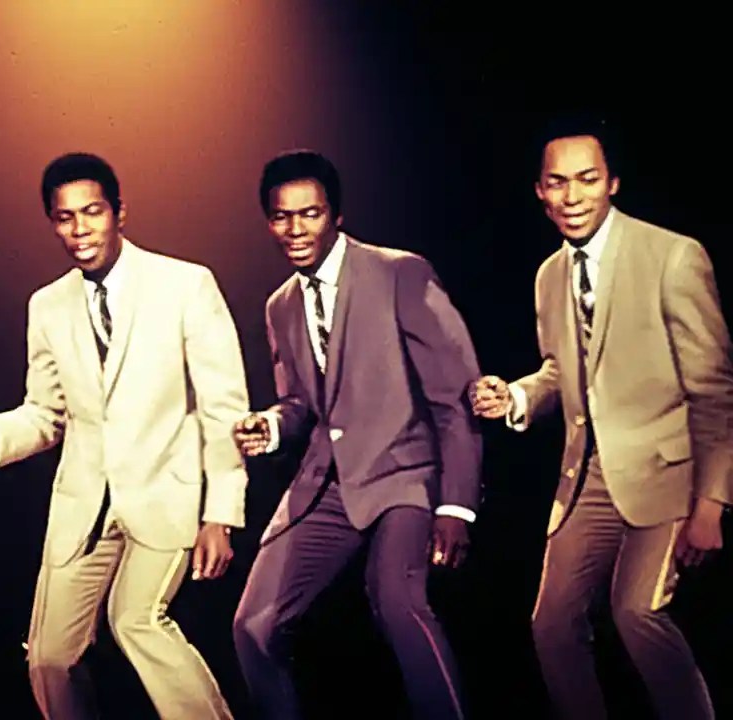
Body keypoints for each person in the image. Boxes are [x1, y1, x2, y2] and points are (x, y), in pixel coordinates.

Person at [0, 152, 247, 720]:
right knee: (48, 659)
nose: (79, 229)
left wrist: (220, 512)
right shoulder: (47, 305)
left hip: (164, 500)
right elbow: (45, 414)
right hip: (84, 510)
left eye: (92, 212)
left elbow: (224, 409)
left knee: (137, 621)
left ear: (120, 211)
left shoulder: (186, 285)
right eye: (64, 217)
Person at [471, 116, 731, 719]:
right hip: (588, 477)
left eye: (586, 180)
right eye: (557, 183)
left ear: (612, 182)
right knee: (551, 625)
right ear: (540, 191)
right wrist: (514, 397)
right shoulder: (550, 275)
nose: (572, 196)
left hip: (668, 472)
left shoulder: (672, 256)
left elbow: (714, 390)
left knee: (636, 612)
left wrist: (712, 503)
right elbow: (563, 372)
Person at [231, 149, 480, 719]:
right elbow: (302, 403)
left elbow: (454, 394)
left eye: (309, 214)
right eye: (280, 217)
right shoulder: (281, 305)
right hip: (328, 485)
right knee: (253, 626)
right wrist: (271, 426)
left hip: (405, 474)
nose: (294, 229)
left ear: (335, 215)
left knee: (396, 600)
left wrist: (457, 507)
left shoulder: (399, 272)